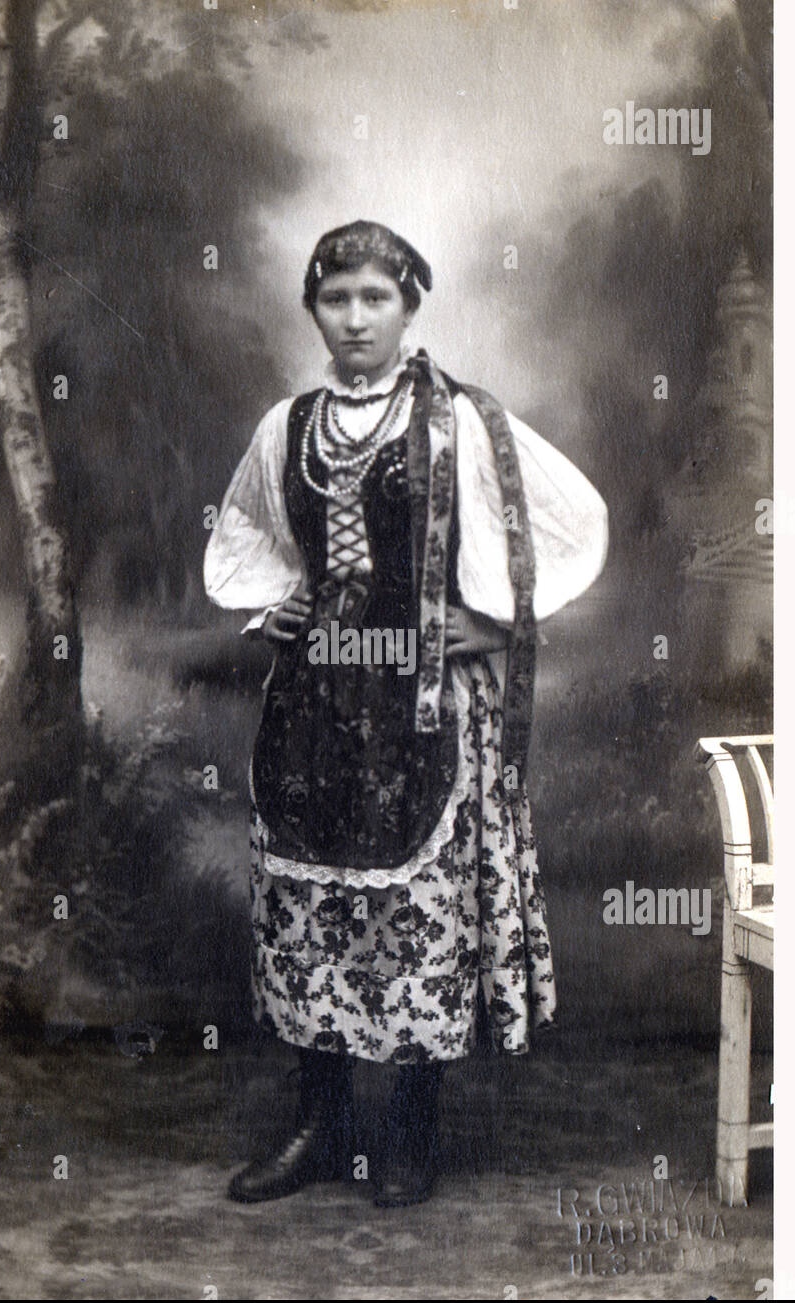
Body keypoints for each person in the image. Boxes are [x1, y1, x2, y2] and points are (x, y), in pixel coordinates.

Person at [204, 220, 607, 1207]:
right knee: (308, 911)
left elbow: (563, 522)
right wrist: (274, 604)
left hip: (419, 712)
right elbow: (247, 531)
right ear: (313, 309)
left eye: (372, 298)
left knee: (415, 915)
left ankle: (412, 1133)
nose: (352, 318)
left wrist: (491, 620)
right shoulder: (284, 426)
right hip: (309, 708)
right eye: (334, 299)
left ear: (408, 305)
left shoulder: (455, 423)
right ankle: (317, 1122)